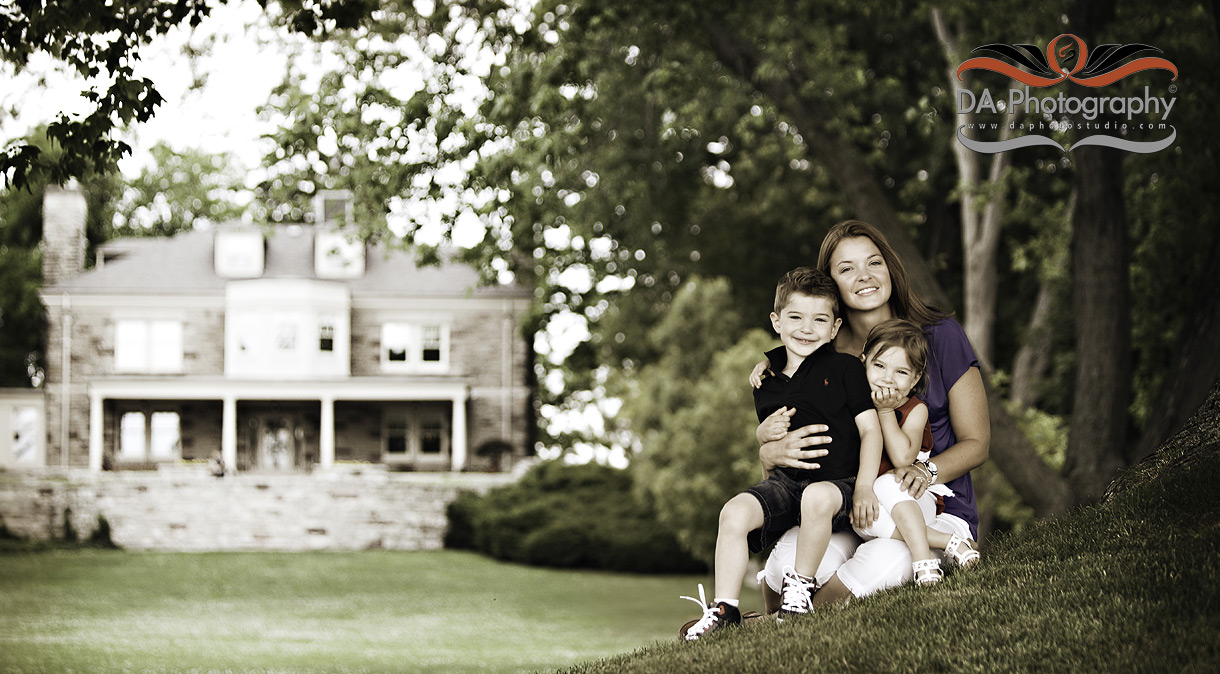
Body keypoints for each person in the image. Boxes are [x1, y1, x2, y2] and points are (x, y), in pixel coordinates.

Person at [755, 220, 989, 611]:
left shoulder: (939, 335)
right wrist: (767, 454)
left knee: (891, 561)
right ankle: (782, 611)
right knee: (788, 564)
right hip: (854, 509)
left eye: (874, 263)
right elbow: (792, 459)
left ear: (890, 269)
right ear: (830, 285)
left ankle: (780, 625)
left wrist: (923, 472)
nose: (864, 277)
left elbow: (977, 443)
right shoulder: (821, 359)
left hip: (930, 504)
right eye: (846, 269)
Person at [680, 268, 883, 641]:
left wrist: (866, 485)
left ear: (835, 328)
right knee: (733, 512)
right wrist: (763, 438)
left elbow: (871, 429)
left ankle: (799, 593)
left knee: (817, 495)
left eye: (819, 319)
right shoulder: (766, 382)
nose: (806, 328)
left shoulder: (844, 368)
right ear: (776, 321)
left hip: (839, 485)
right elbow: (770, 454)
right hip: (787, 485)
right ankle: (725, 609)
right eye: (795, 317)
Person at [756, 318, 979, 586]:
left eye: (901, 372)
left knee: (887, 482)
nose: (887, 378)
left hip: (911, 496)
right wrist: (770, 363)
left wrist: (885, 412)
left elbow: (902, 459)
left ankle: (924, 560)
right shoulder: (855, 403)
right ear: (863, 364)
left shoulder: (915, 409)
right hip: (874, 504)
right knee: (860, 519)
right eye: (879, 366)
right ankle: (946, 542)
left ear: (915, 378)